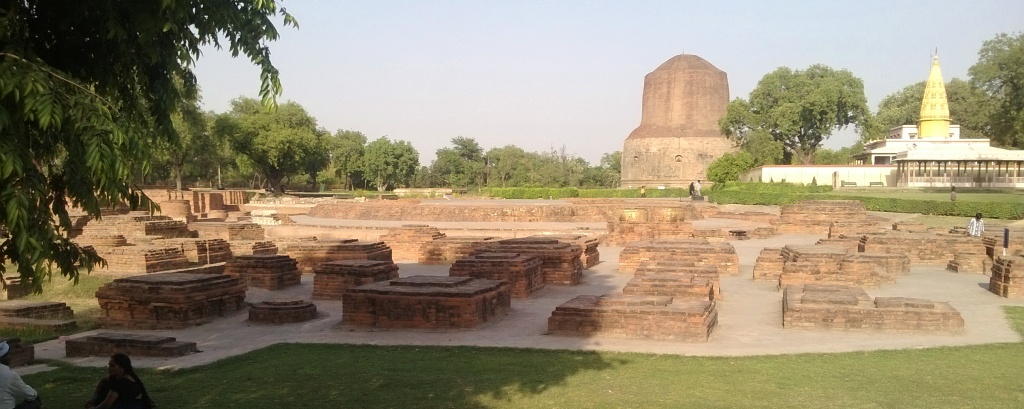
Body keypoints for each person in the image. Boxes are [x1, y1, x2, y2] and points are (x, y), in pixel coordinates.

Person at [85, 353, 153, 409]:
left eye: (112, 366)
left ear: (121, 368)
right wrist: (94, 399)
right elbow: (103, 380)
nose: (109, 368)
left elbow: (106, 405)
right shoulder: (117, 377)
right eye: (109, 365)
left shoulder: (123, 381)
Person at [0, 341, 40, 409]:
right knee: (35, 402)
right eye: (9, 354)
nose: (10, 357)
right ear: (4, 357)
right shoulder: (9, 375)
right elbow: (31, 394)